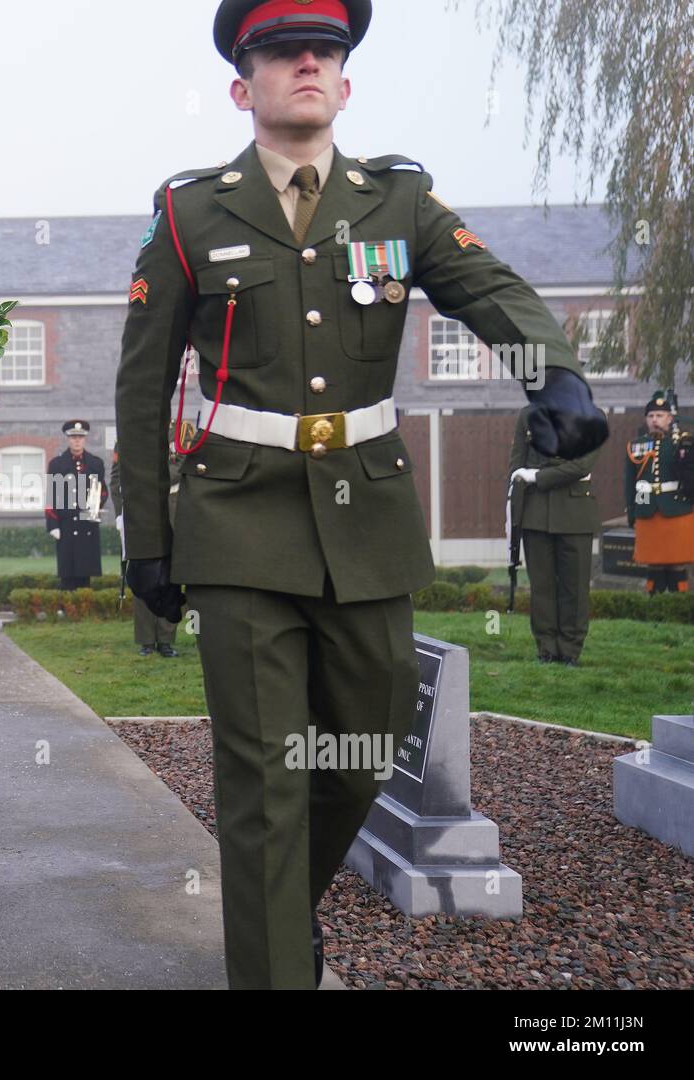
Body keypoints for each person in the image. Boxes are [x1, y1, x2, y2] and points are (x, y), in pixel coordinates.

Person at [114, 0, 609, 989]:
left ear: (345, 82)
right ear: (240, 84)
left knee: (366, 748)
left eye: (324, 49)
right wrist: (147, 537)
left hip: (366, 518)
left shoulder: (399, 202)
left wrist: (548, 372)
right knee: (265, 782)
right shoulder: (190, 211)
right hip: (237, 520)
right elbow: (141, 381)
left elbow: (488, 292)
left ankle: (279, 913)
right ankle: (275, 968)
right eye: (281, 50)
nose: (305, 60)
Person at [508, 406, 600, 664]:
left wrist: (537, 475)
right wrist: (513, 508)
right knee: (542, 587)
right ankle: (546, 648)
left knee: (575, 588)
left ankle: (570, 650)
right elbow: (516, 464)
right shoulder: (527, 415)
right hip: (535, 513)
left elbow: (581, 466)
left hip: (575, 513)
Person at [110, 439, 180, 656]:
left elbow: (187, 470)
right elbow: (116, 479)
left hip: (172, 514)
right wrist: (121, 514)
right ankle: (146, 640)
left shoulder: (181, 434)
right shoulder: (129, 434)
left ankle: (166, 640)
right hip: (140, 514)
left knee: (170, 578)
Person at [625, 390, 694, 594]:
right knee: (653, 562)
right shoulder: (636, 446)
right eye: (651, 416)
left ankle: (678, 604)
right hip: (647, 508)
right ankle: (653, 604)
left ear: (669, 418)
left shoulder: (682, 442)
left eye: (660, 416)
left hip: (677, 508)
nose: (655, 420)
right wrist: (632, 512)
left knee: (677, 563)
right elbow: (630, 483)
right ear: (646, 419)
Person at [45, 420, 108, 590]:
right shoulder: (57, 464)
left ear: (85, 439)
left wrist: (92, 512)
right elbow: (51, 496)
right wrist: (53, 524)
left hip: (86, 524)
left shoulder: (95, 463)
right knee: (67, 572)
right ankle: (67, 607)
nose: (77, 440)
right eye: (73, 437)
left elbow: (101, 492)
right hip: (65, 525)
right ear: (68, 439)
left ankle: (83, 607)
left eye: (80, 437)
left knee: (85, 571)